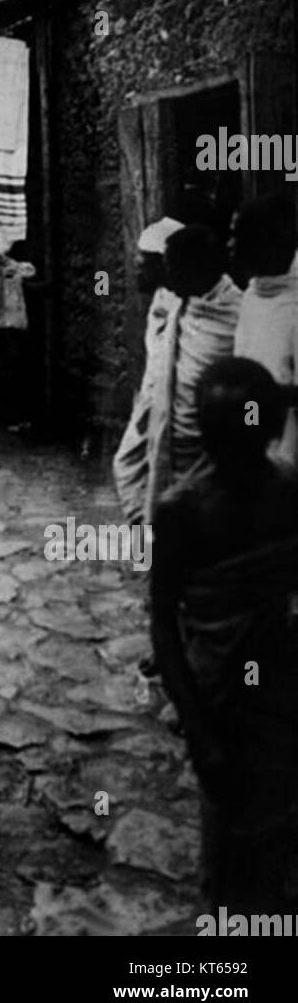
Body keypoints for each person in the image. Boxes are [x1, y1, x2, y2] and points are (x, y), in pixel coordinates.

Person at [151, 358, 298, 915]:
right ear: (204, 436)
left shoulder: (288, 492)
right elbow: (164, 628)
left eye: (246, 439)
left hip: (281, 687)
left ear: (267, 432)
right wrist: (199, 732)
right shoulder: (182, 510)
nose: (233, 459)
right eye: (221, 441)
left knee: (276, 834)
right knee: (229, 846)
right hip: (220, 701)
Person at [137, 225, 242, 524]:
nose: (169, 278)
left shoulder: (235, 313)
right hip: (171, 435)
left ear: (197, 269)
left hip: (210, 446)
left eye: (175, 269)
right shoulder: (178, 305)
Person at [113, 217, 185, 524]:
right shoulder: (162, 298)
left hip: (175, 407)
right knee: (126, 464)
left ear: (165, 264)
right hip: (151, 402)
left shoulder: (187, 303)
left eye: (146, 259)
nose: (137, 265)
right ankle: (143, 529)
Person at [230, 194, 298, 464]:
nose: (230, 244)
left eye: (238, 235)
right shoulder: (252, 294)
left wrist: (261, 391)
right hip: (255, 435)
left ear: (264, 242)